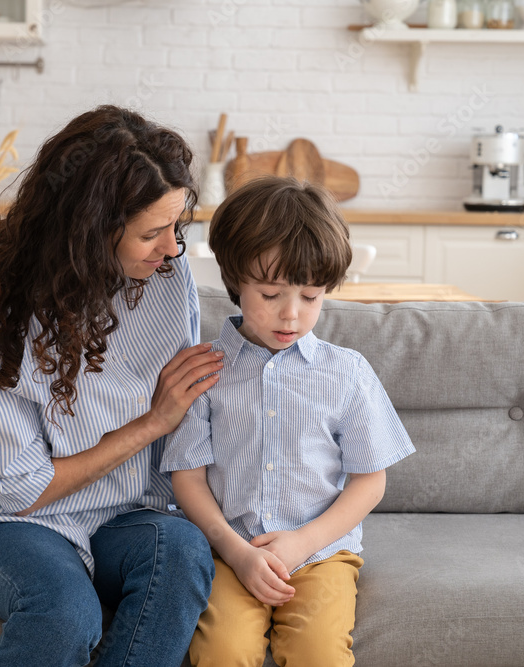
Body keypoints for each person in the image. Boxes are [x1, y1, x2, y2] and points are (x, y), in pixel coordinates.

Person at [0, 105, 224, 667]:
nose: (173, 251)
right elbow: (20, 490)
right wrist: (151, 424)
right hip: (9, 522)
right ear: (88, 230)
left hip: (126, 517)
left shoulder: (164, 276)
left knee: (181, 551)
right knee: (64, 614)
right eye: (151, 233)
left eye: (176, 228)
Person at [161, 176, 416, 667]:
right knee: (222, 652)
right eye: (272, 293)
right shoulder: (205, 370)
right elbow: (187, 479)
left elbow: (370, 481)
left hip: (320, 554)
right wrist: (236, 553)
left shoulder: (346, 372)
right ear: (235, 282)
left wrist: (304, 541)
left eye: (311, 296)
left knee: (319, 656)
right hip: (231, 553)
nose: (291, 315)